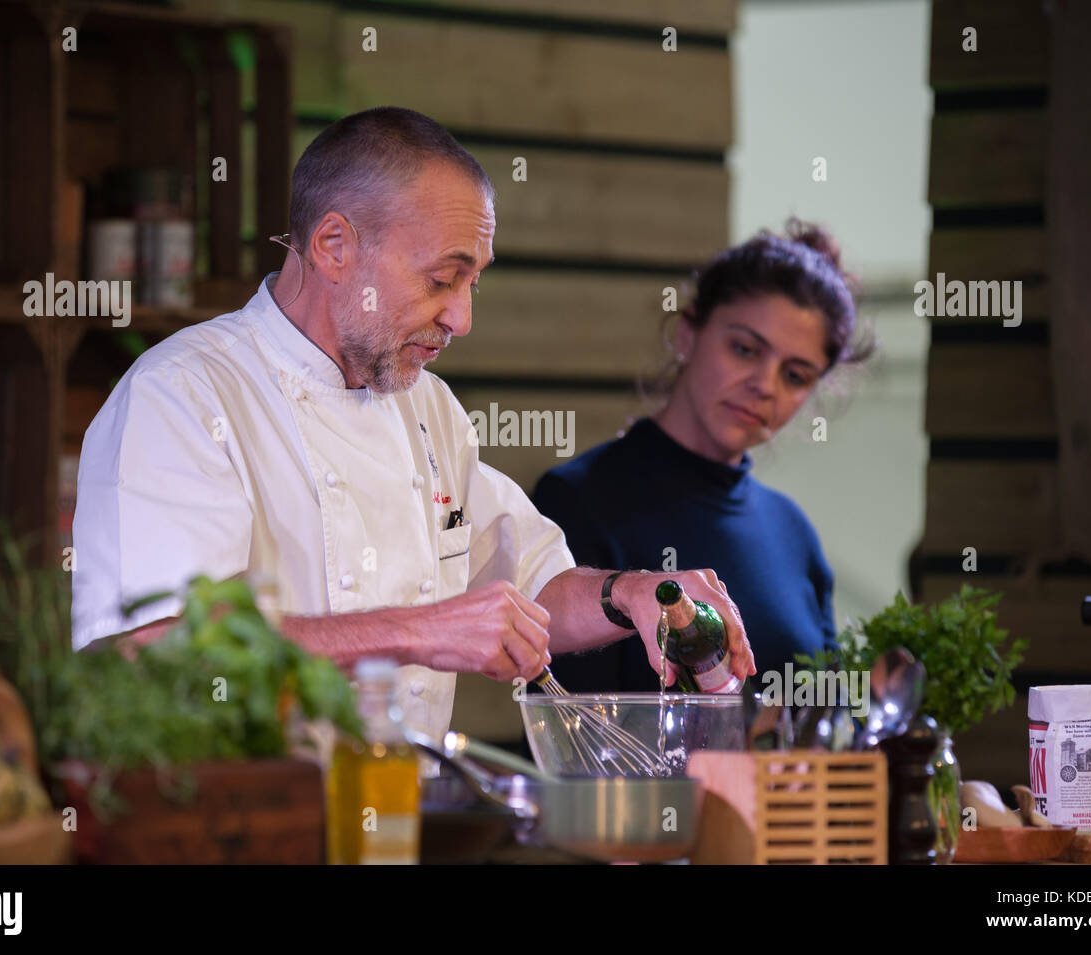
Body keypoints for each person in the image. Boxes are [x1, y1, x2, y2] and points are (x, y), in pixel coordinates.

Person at [71, 107, 755, 748]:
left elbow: (534, 585)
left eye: (473, 284)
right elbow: (152, 648)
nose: (461, 319)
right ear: (334, 246)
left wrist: (630, 593)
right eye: (441, 280)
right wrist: (419, 631)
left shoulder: (428, 407)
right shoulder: (184, 394)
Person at [532, 220, 872, 693]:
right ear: (688, 333)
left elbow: (824, 724)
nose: (764, 385)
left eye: (794, 375)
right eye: (744, 349)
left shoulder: (793, 531)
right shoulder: (578, 498)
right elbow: (568, 730)